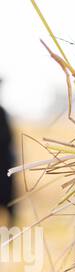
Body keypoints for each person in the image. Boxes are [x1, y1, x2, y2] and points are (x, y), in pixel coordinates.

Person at [0, 83, 20, 226]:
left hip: (4, 165)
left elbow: (9, 139)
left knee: (8, 197)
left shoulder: (2, 112)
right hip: (5, 163)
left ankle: (10, 229)